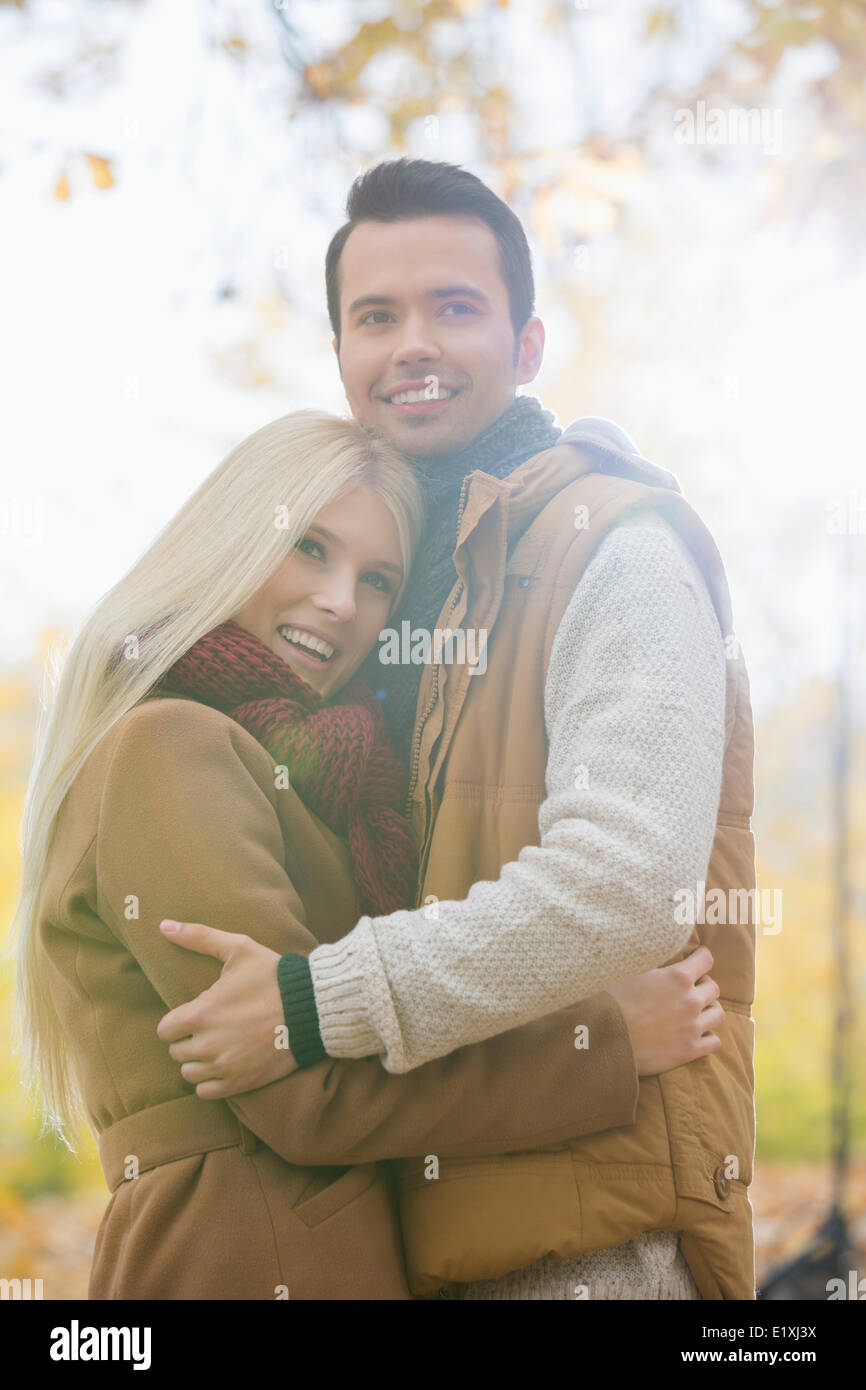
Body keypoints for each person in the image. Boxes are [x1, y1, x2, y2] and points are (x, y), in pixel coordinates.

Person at [157, 159, 757, 1301]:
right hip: (416, 1219)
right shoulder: (372, 594)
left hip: (582, 1241)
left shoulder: (612, 544)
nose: (411, 345)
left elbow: (628, 879)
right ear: (340, 357)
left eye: (455, 308)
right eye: (375, 316)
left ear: (527, 347)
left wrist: (309, 1000)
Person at [13, 409, 714, 1301]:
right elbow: (307, 1100)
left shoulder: (304, 771)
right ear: (226, 541)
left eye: (377, 579)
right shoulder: (168, 748)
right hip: (241, 1258)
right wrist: (604, 1042)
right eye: (310, 549)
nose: (342, 602)